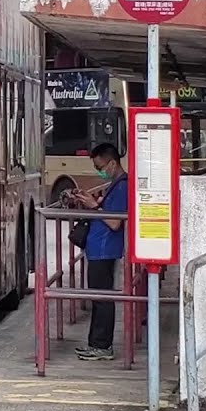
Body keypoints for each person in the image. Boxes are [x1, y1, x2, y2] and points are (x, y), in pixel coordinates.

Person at [72, 142, 129, 361]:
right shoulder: (116, 184)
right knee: (98, 297)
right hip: (98, 249)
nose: (99, 172)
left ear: (112, 163)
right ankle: (95, 343)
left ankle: (102, 345)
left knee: (103, 298)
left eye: (100, 167)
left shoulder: (122, 186)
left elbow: (115, 222)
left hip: (105, 250)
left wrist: (94, 207)